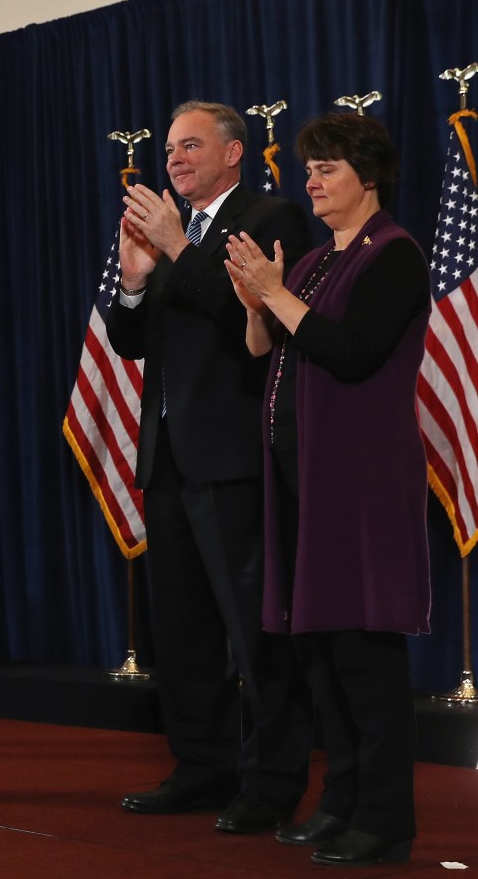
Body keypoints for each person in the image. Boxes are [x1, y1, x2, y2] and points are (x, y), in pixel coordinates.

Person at [224, 112, 430, 867]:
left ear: (368, 176)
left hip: (361, 480)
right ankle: (340, 797)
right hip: (297, 476)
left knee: (363, 655)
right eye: (309, 168)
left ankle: (386, 816)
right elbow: (263, 356)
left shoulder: (395, 256)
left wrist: (275, 296)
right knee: (318, 653)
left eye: (328, 168)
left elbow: (349, 353)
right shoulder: (309, 264)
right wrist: (255, 305)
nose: (311, 180)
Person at [107, 101, 313, 832]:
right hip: (165, 459)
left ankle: (274, 780)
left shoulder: (272, 217)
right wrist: (134, 280)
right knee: (185, 633)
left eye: (191, 146)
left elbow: (253, 316)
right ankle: (201, 768)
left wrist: (178, 249)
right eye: (169, 148)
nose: (174, 159)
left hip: (234, 457)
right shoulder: (171, 235)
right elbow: (135, 342)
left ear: (234, 153)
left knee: (256, 630)